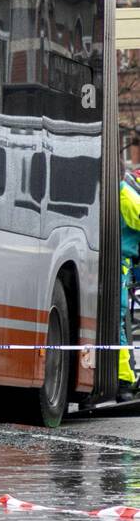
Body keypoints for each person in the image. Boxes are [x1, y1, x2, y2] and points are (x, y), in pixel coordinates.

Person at [118, 171, 140, 399]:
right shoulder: (127, 191)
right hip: (121, 263)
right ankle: (124, 378)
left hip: (121, 263)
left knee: (119, 320)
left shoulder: (126, 190)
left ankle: (125, 377)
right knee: (119, 320)